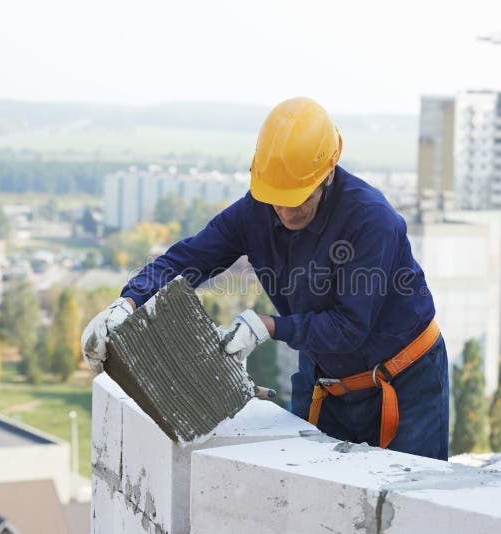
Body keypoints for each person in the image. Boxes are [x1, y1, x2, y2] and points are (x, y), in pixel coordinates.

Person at [81, 97, 448, 459]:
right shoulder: (256, 210)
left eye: (298, 198)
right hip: (327, 380)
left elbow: (349, 328)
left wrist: (267, 326)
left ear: (328, 174)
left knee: (413, 505)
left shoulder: (371, 220)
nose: (286, 211)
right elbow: (188, 258)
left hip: (404, 381)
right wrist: (127, 303)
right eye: (277, 198)